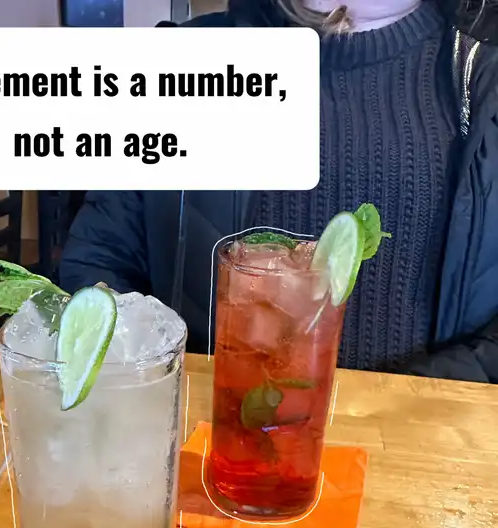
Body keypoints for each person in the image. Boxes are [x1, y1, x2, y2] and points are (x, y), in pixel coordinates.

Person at [60, 0, 498, 382]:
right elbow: (101, 262)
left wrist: (406, 408)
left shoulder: (485, 81)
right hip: (207, 433)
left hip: (425, 439)